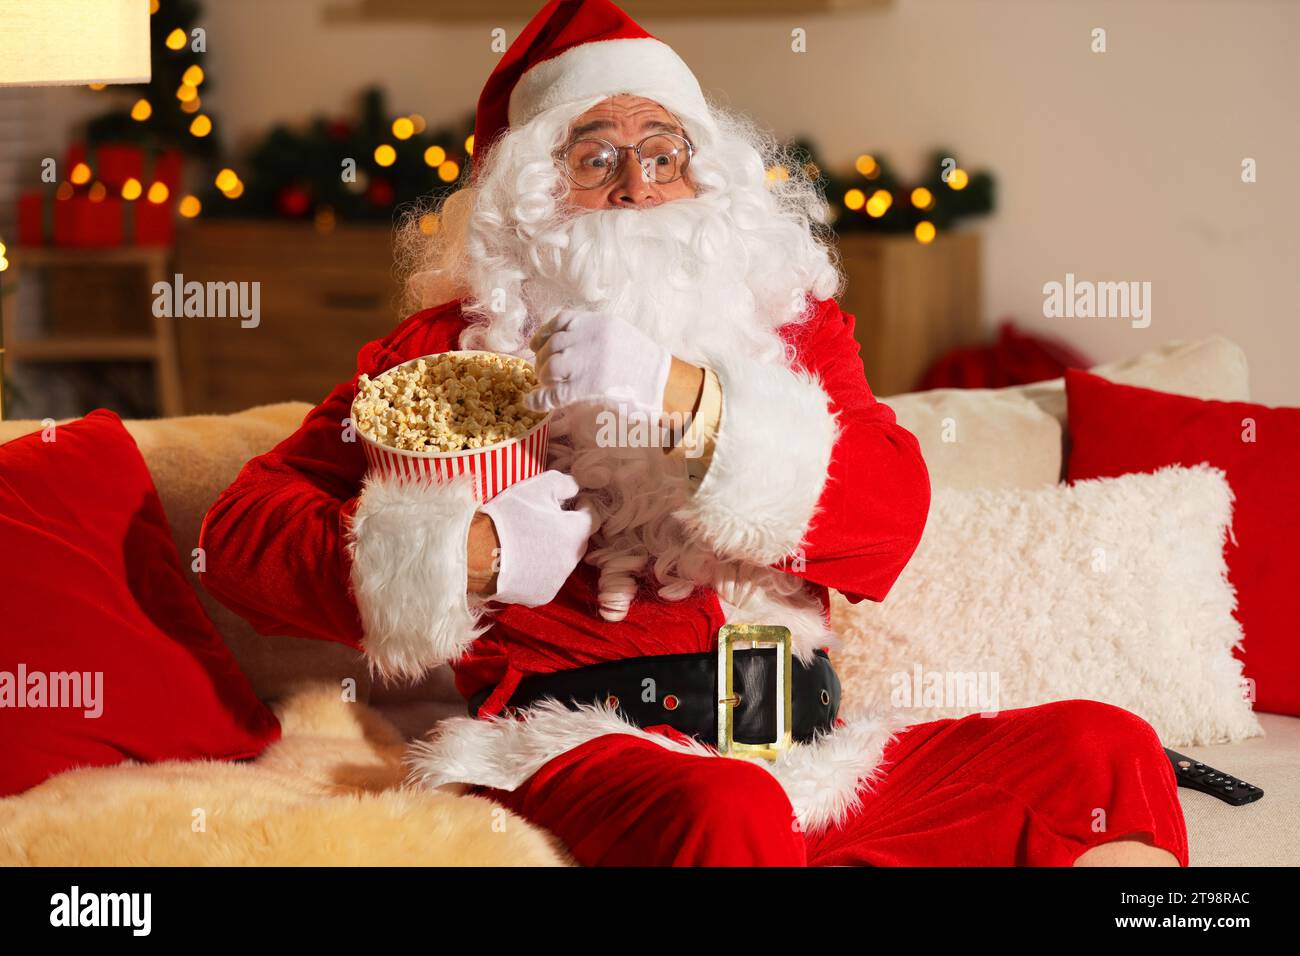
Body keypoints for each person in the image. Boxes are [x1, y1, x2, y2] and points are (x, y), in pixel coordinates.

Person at [199, 0, 1187, 867]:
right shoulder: (441, 353)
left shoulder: (790, 328)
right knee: (729, 803)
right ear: (529, 193)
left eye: (663, 153)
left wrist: (692, 400)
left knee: (1104, 750)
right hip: (585, 752)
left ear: (703, 176)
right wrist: (472, 549)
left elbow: (889, 522)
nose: (636, 184)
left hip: (814, 746)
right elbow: (237, 537)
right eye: (595, 156)